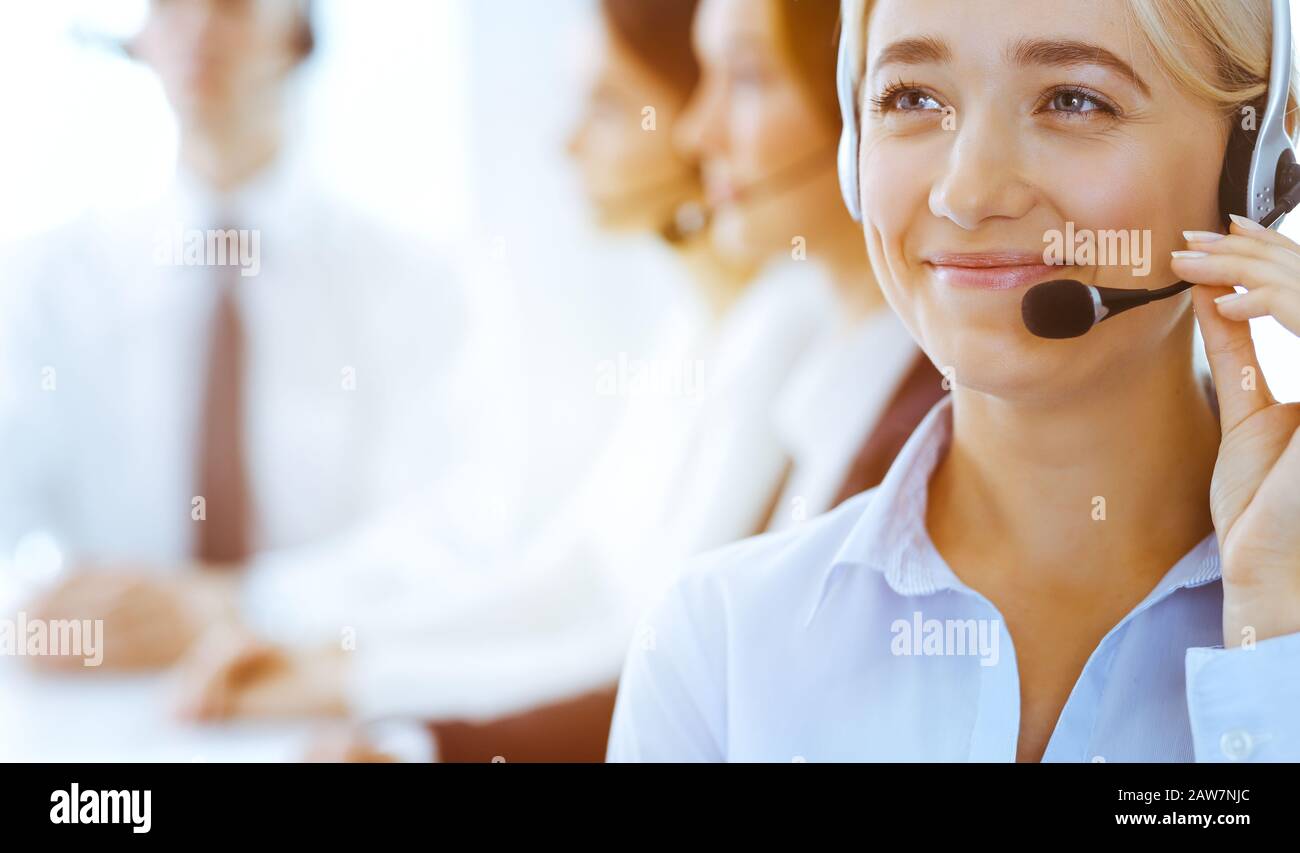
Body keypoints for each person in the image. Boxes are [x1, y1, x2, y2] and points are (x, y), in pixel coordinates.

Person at [608, 0, 1300, 762]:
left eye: (1074, 99)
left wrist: (1274, 640)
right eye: (913, 98)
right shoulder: (717, 650)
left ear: (1257, 164)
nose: (967, 194)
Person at [175, 0, 835, 755]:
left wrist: (383, 704)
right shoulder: (699, 323)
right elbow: (573, 571)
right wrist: (342, 655)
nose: (567, 143)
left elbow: (638, 647)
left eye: (609, 106)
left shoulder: (788, 325)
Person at [1, 0, 501, 673]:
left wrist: (239, 605)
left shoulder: (408, 280)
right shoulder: (49, 282)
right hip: (94, 714)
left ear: (296, 30)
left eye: (232, 5)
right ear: (141, 36)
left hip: (322, 694)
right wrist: (34, 614)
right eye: (170, 7)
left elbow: (445, 534)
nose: (200, 29)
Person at [677, 0, 945, 532]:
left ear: (858, 107)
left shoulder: (929, 421)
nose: (697, 132)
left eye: (748, 77)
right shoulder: (796, 336)